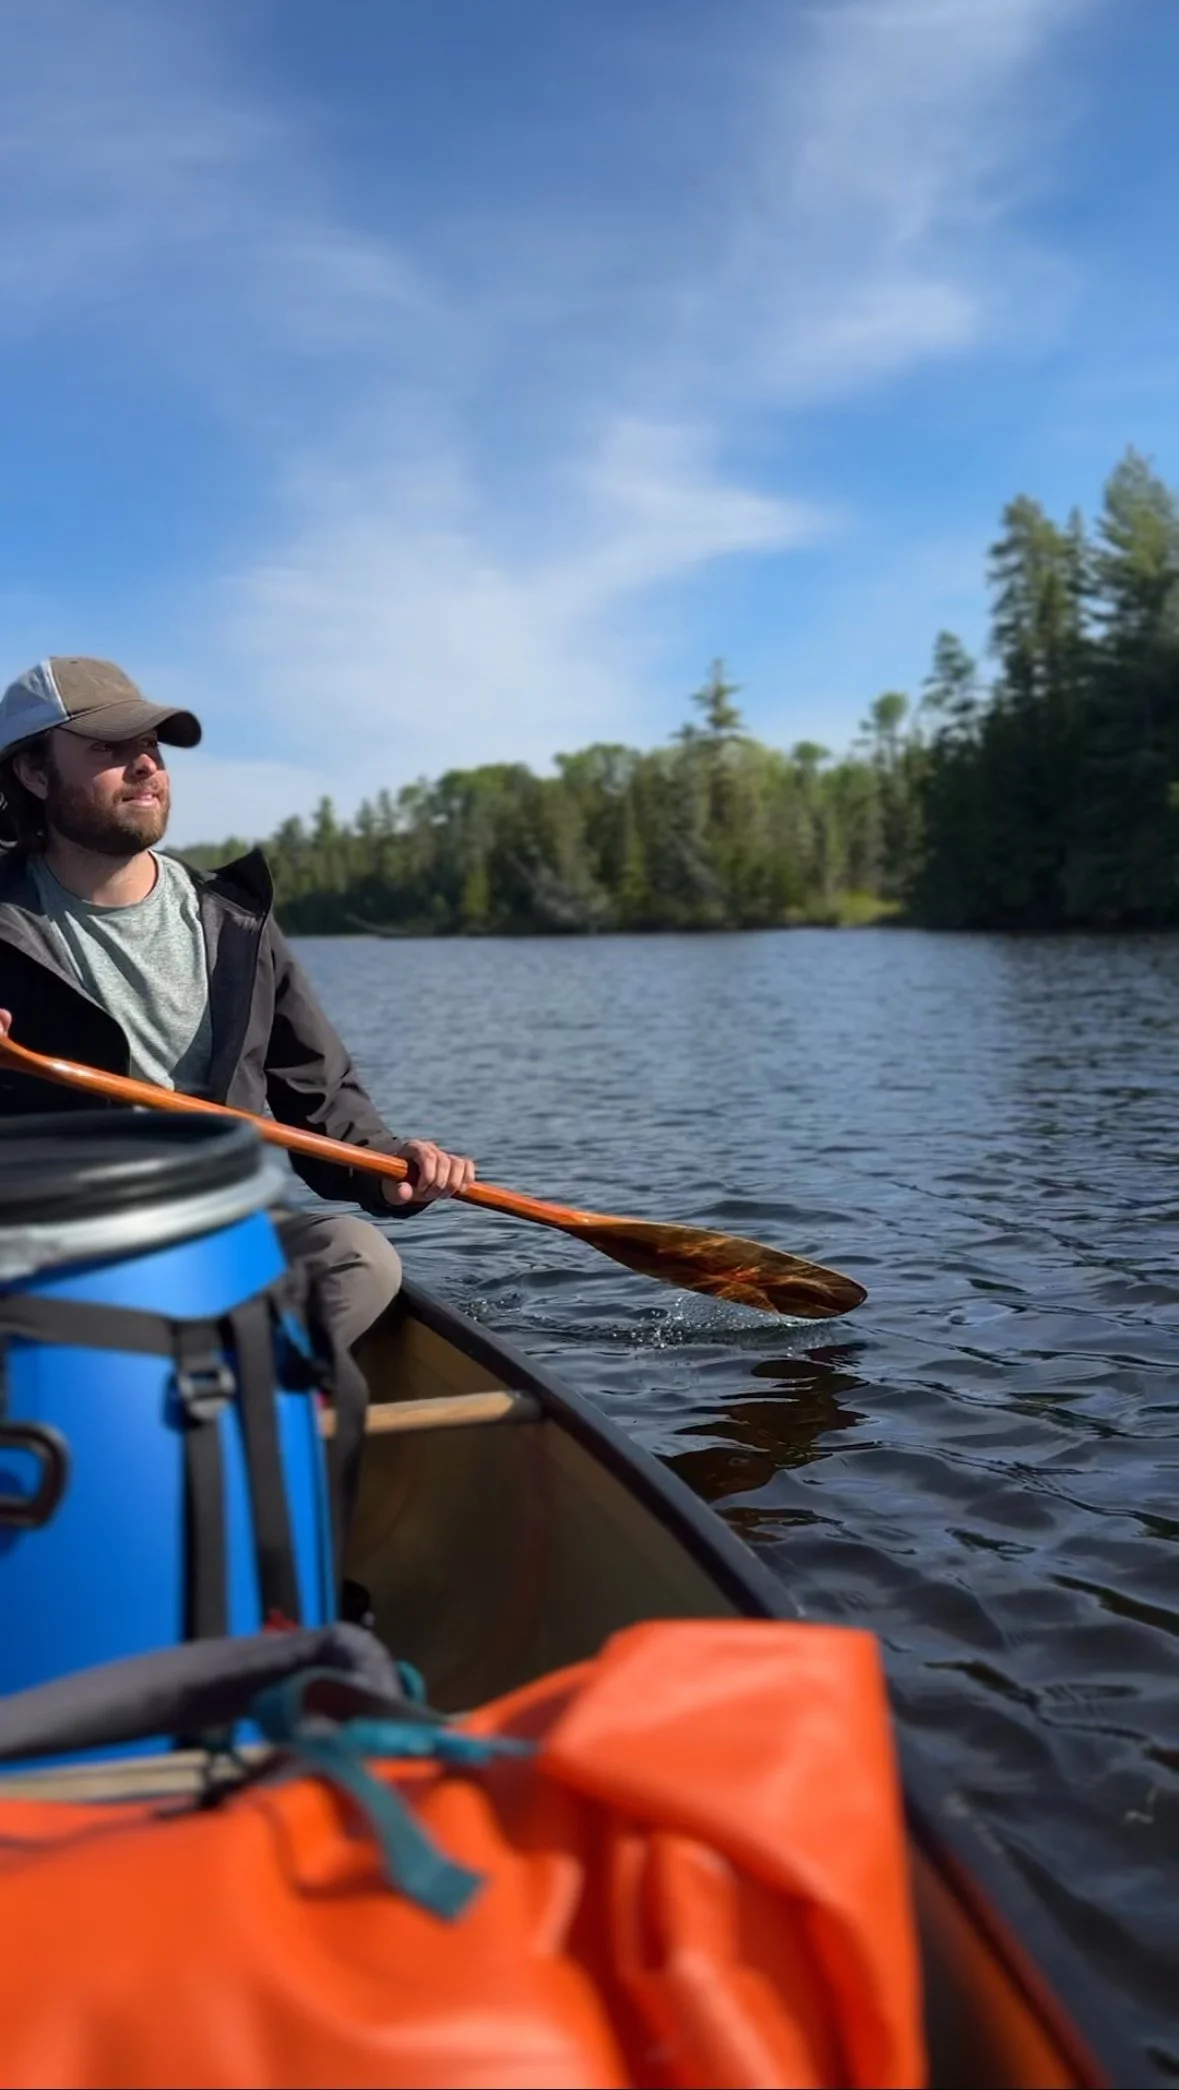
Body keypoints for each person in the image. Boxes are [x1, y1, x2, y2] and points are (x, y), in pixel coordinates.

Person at [0, 655, 476, 1351]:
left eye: (152, 749)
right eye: (109, 748)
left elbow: (319, 1096)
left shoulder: (233, 922)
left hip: (211, 1229)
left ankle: (215, 1397)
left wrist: (390, 1167)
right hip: (49, 1240)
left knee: (358, 1257)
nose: (146, 768)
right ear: (35, 773)